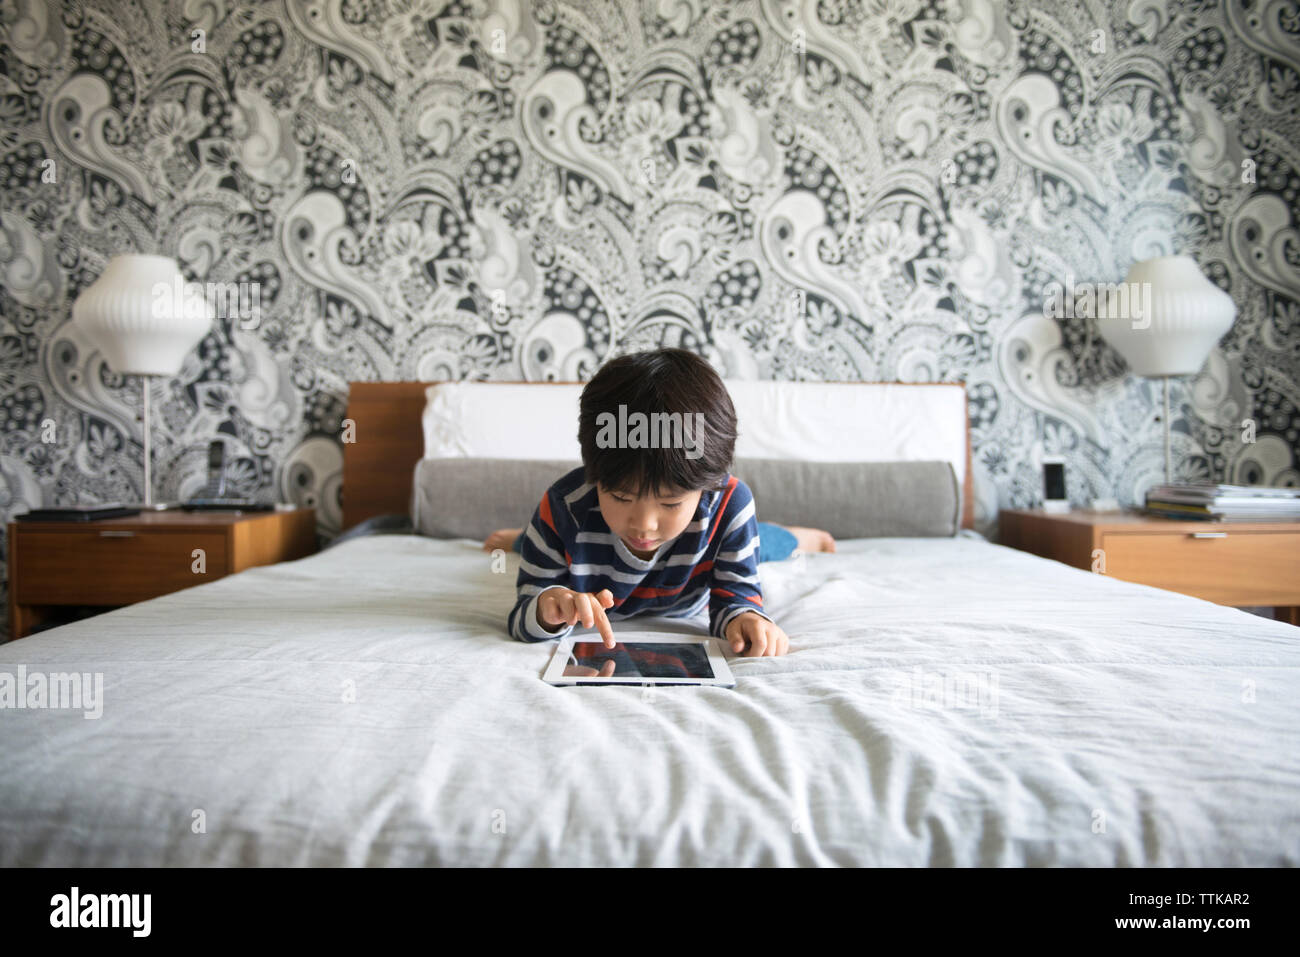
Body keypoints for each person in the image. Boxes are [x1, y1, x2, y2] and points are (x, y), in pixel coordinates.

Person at [504, 348, 825, 657]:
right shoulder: (563, 507)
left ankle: (797, 535)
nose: (644, 524)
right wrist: (550, 607)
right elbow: (525, 615)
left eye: (670, 503)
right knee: (533, 541)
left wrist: (746, 620)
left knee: (767, 542)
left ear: (705, 486)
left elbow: (737, 598)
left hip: (704, 547)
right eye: (620, 497)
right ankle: (522, 538)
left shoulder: (728, 505)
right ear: (594, 475)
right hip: (585, 537)